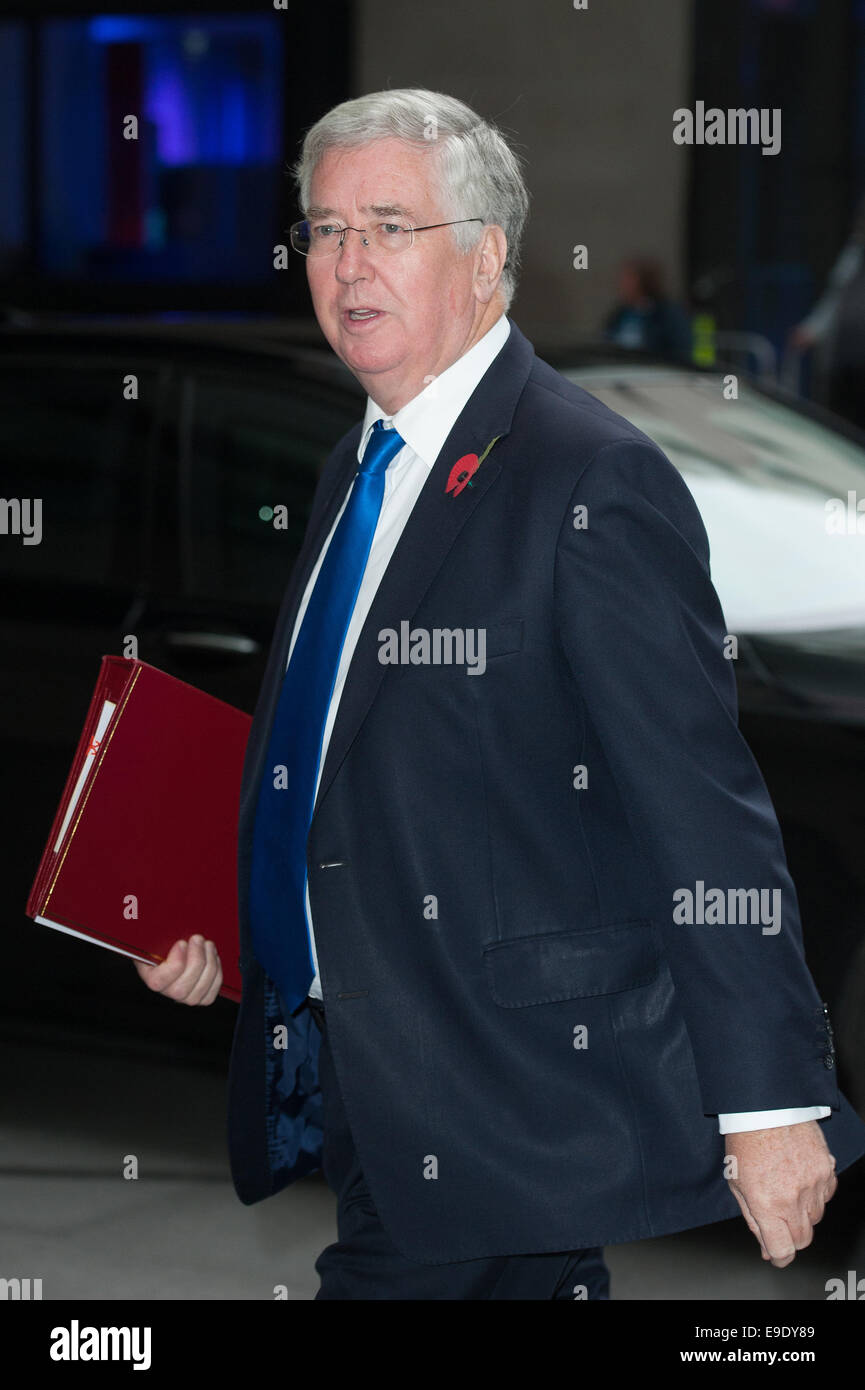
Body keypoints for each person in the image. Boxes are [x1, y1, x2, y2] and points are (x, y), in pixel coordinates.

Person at [135, 88, 865, 1301]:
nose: (347, 262)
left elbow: (703, 809)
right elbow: (346, 748)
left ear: (485, 260)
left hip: (499, 1098)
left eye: (387, 226)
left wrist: (773, 1100)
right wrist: (246, 927)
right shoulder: (359, 457)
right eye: (324, 230)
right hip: (364, 1064)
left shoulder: (590, 477)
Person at [603, 256, 692, 362]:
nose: (622, 285)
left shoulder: (666, 314)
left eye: (628, 278)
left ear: (643, 281)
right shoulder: (619, 314)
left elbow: (681, 349)